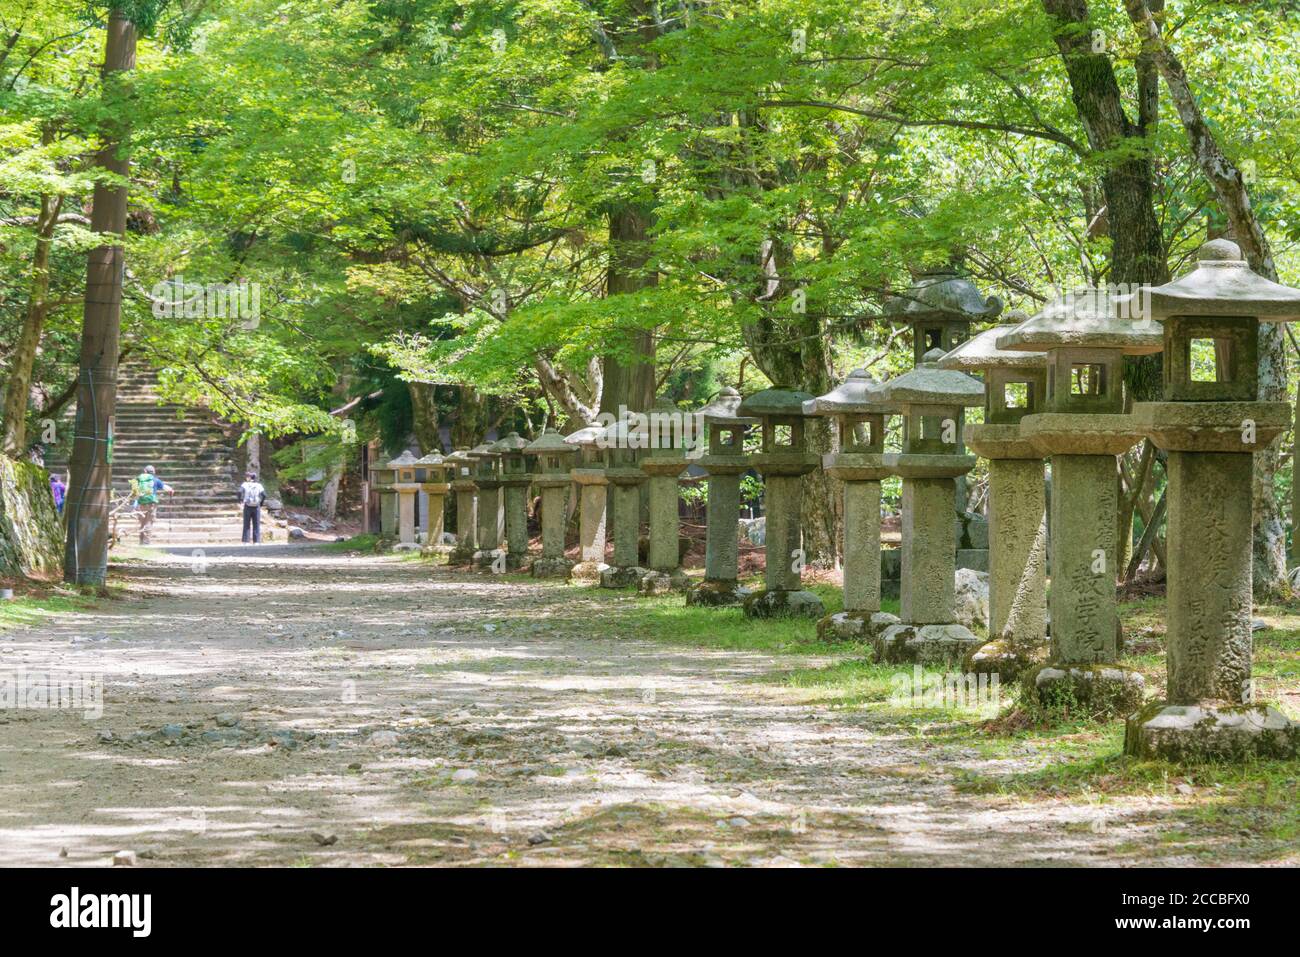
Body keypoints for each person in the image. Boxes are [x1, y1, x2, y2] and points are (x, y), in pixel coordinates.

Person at [131, 465, 173, 545]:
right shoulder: (155, 480)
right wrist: (171, 490)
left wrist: (134, 505)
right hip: (151, 504)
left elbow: (134, 492)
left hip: (140, 503)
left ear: (145, 471)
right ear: (153, 472)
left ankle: (141, 541)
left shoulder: (139, 479)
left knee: (142, 523)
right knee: (149, 522)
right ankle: (146, 542)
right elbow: (165, 487)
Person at [239, 471, 267, 544]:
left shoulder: (245, 484)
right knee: (256, 524)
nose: (246, 477)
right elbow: (264, 495)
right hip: (256, 506)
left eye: (247, 476)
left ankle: (246, 541)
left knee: (246, 524)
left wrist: (240, 500)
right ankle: (256, 541)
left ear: (249, 477)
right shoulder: (259, 485)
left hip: (247, 505)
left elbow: (239, 492)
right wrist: (261, 503)